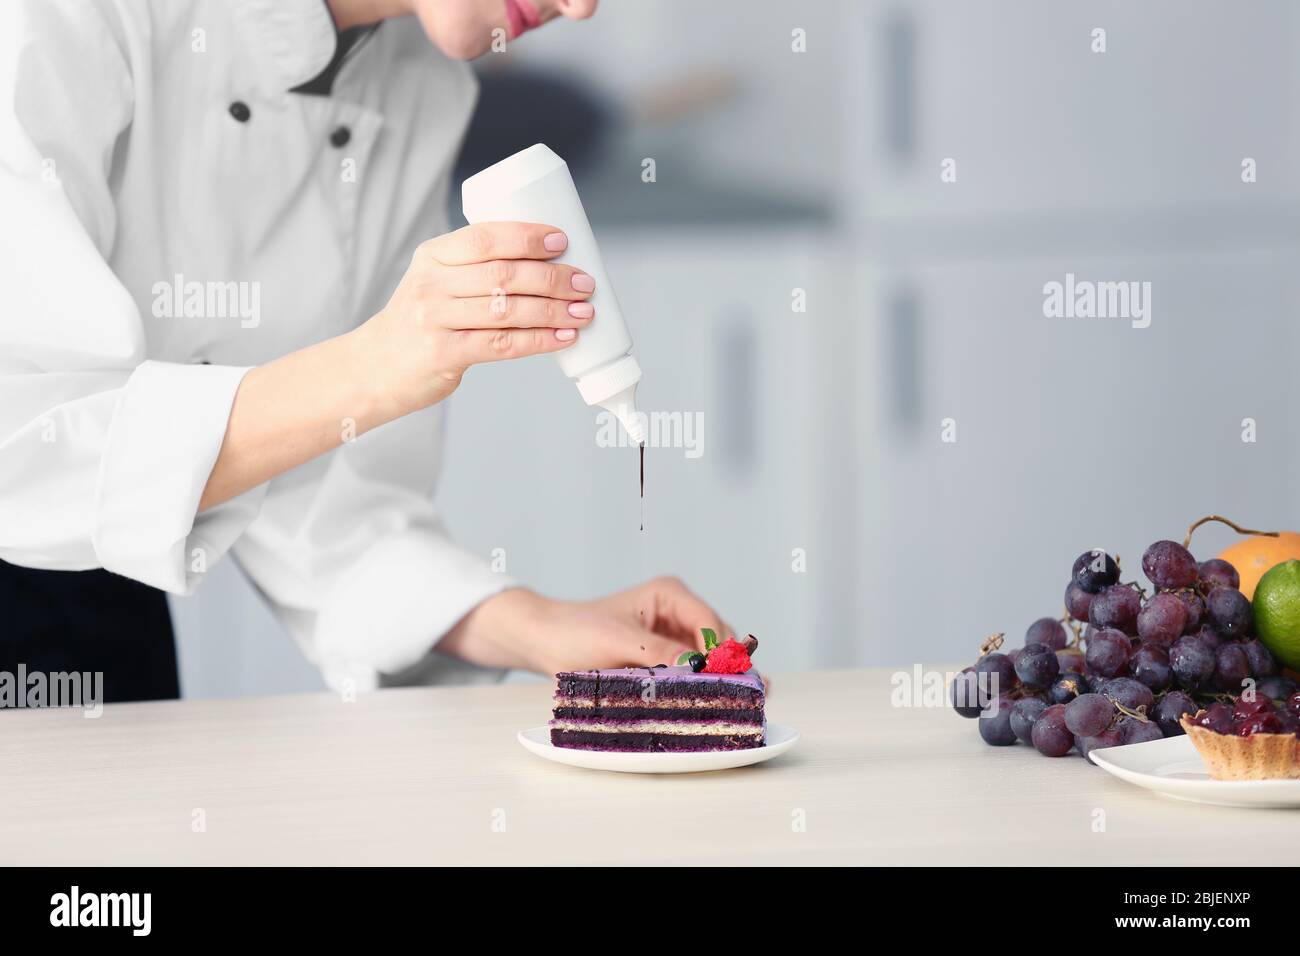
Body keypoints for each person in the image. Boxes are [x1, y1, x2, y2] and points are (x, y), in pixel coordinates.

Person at [0, 0, 727, 701]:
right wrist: (372, 366)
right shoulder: (61, 16)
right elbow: (24, 452)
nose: (582, 6)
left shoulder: (418, 85)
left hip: (103, 614)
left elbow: (330, 510)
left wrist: (536, 625)